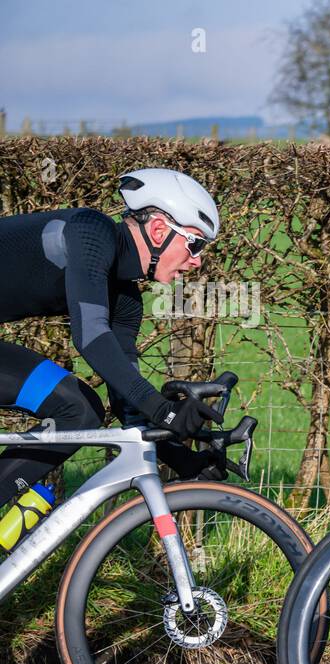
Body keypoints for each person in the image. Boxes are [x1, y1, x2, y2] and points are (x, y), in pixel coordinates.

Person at [0, 168, 226, 510]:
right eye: (195, 244)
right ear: (159, 229)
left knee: (79, 411)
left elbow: (125, 399)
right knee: (77, 408)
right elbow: (90, 336)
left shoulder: (126, 301)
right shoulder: (91, 230)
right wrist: (164, 411)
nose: (197, 261)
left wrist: (183, 459)